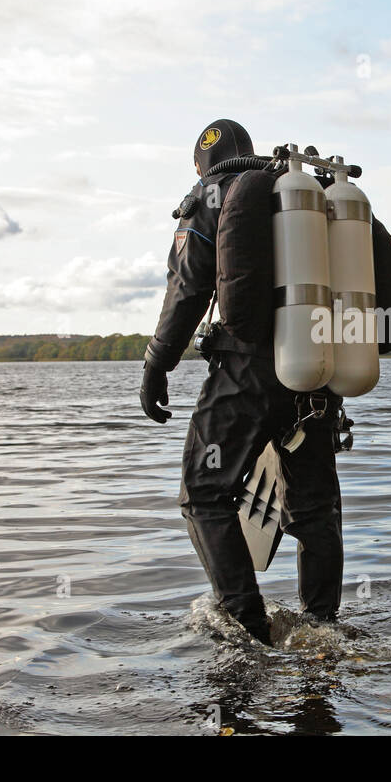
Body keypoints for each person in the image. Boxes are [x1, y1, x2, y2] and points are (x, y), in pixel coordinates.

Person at [139, 119, 343, 645]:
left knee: (204, 494)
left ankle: (248, 630)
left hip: (247, 371)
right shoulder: (305, 194)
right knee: (315, 510)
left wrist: (158, 362)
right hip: (317, 375)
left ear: (203, 163)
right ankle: (322, 632)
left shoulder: (213, 192)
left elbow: (189, 285)